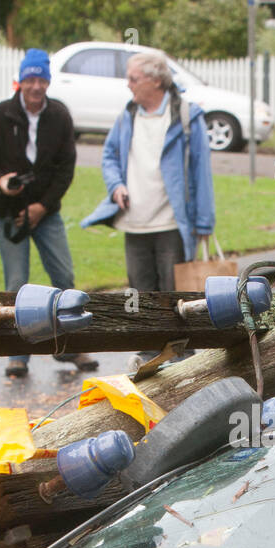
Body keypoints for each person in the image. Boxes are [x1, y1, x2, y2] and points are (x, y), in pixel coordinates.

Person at [81, 51, 215, 375]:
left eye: (133, 78)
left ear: (155, 80)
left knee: (175, 297)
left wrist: (204, 221)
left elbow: (201, 170)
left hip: (172, 222)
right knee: (140, 295)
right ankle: (148, 358)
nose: (127, 85)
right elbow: (110, 155)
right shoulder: (127, 116)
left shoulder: (186, 116)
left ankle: (183, 362)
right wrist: (116, 186)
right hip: (135, 222)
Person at [0, 48, 96, 378]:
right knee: (16, 284)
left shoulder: (59, 116)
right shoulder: (0, 116)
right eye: (30, 80)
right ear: (20, 82)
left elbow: (65, 168)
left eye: (41, 80)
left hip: (47, 211)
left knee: (64, 277)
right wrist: (0, 179)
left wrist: (43, 206)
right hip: (9, 212)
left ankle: (70, 346)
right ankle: (17, 355)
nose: (36, 86)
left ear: (48, 82)